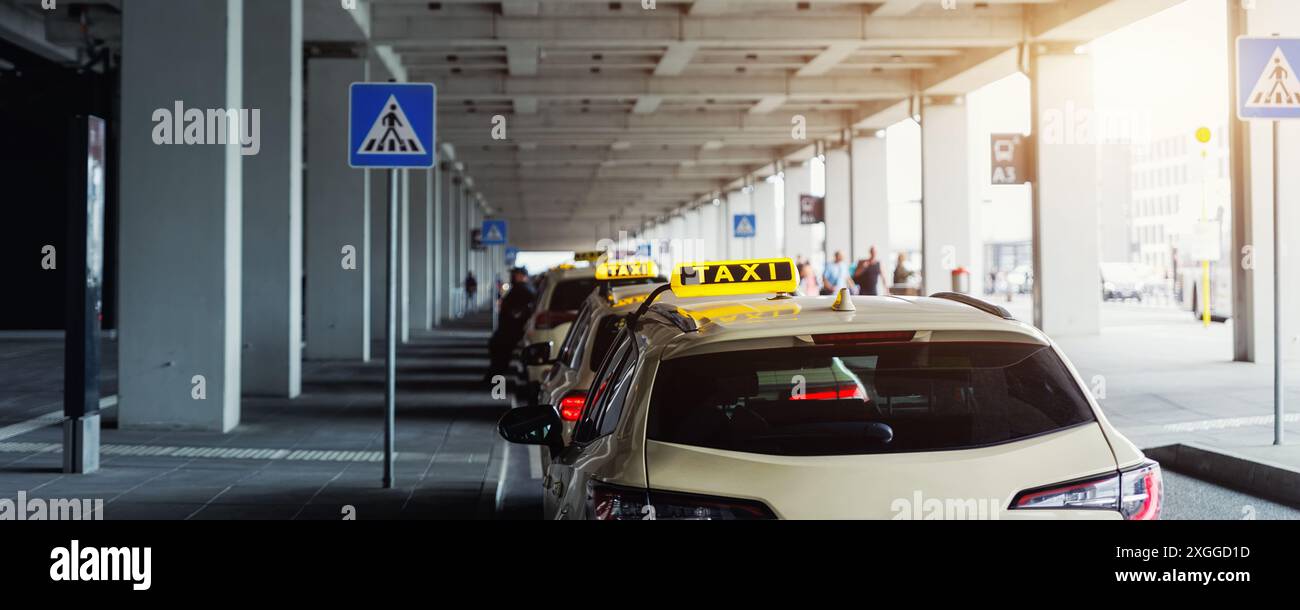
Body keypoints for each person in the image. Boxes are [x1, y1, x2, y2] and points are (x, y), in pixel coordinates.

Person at [487, 267, 534, 381]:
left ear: (522, 276)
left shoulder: (523, 289)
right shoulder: (521, 288)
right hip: (509, 327)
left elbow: (523, 309)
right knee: (498, 349)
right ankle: (495, 376)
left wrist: (514, 315)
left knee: (500, 350)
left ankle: (495, 377)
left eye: (515, 274)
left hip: (512, 328)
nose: (513, 276)